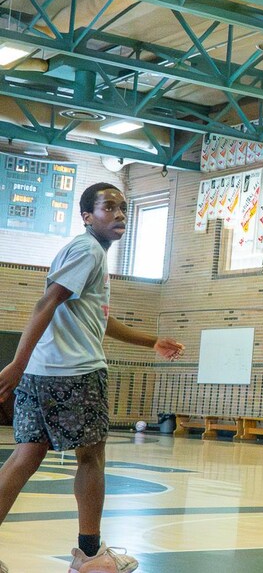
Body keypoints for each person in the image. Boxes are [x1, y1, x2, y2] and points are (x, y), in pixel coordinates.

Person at [0, 182, 184, 573]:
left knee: (25, 456)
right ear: (87, 216)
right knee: (92, 457)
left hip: (42, 374)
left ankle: (88, 555)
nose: (119, 215)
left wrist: (150, 341)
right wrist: (15, 364)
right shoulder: (87, 250)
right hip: (75, 374)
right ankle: (88, 555)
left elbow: (97, 315)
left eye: (123, 209)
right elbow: (45, 303)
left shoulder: (84, 254)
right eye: (109, 208)